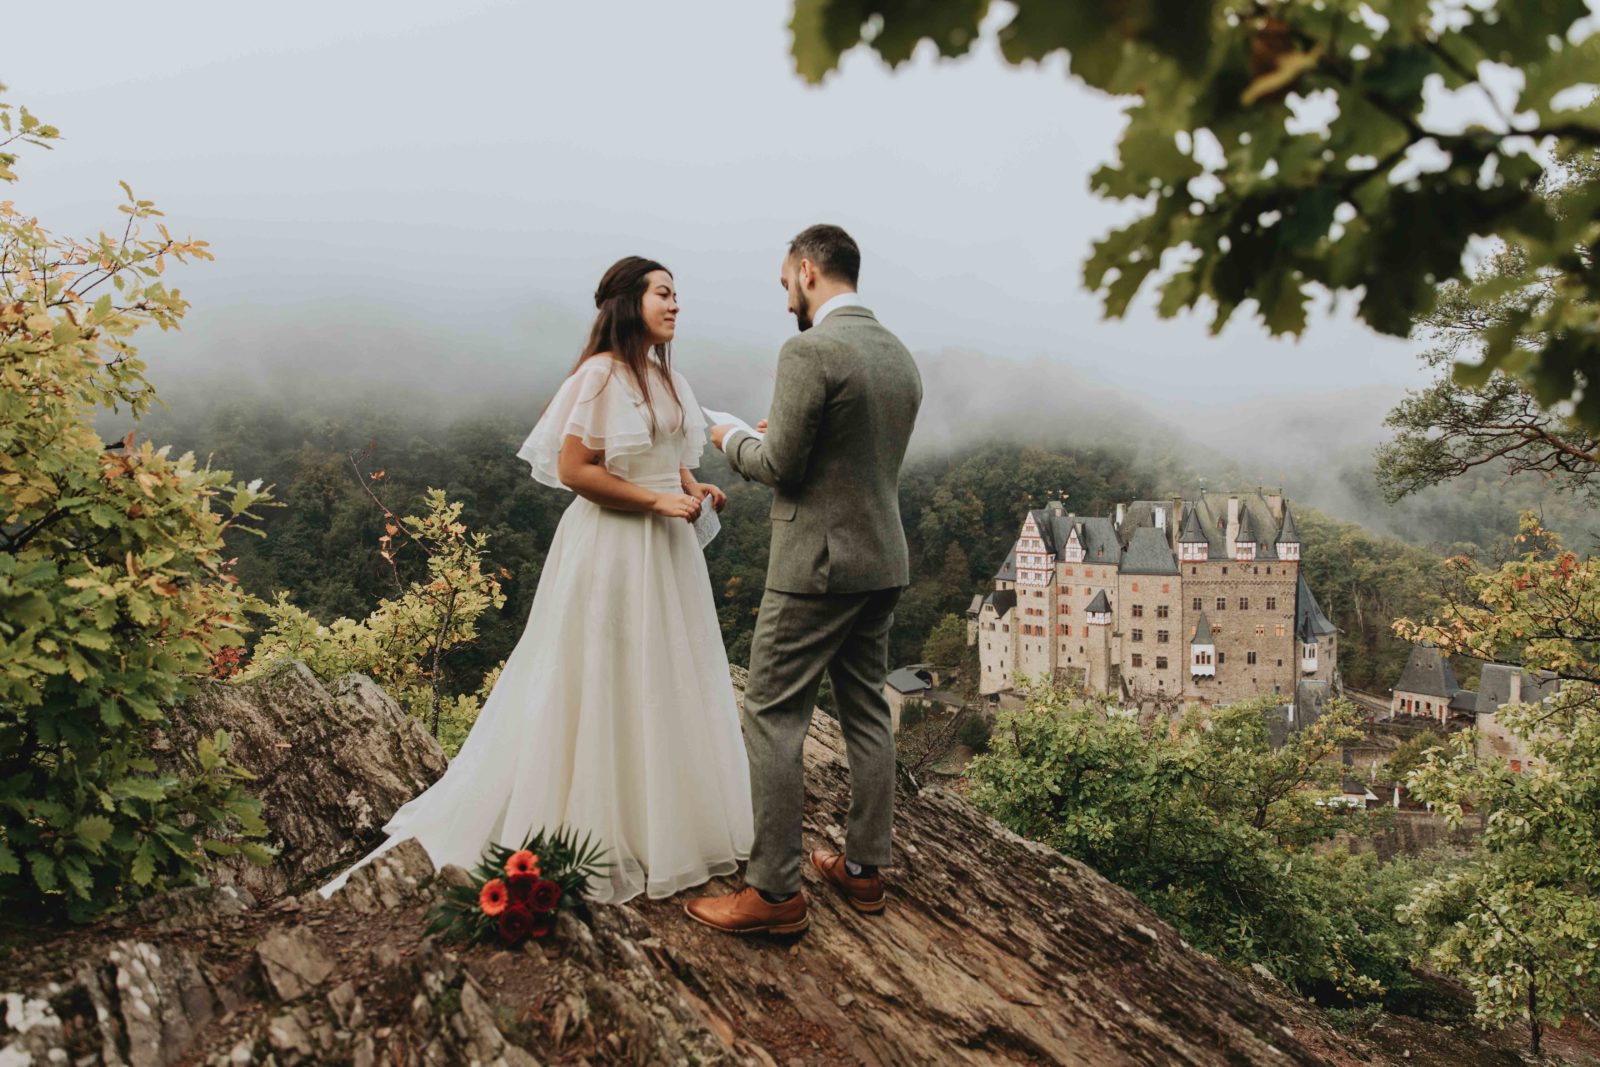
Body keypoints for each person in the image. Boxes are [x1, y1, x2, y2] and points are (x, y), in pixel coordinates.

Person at [320, 256, 753, 903]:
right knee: (601, 675)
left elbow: (670, 455)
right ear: (628, 302)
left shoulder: (670, 379)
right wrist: (658, 501)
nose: (675, 304)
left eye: (676, 294)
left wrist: (693, 487)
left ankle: (660, 822)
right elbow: (577, 467)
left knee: (663, 672)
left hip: (666, 553)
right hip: (614, 543)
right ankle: (594, 830)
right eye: (663, 293)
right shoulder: (600, 376)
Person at [688, 224, 922, 935]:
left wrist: (732, 438)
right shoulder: (900, 356)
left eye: (785, 277)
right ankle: (863, 869)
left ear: (807, 270)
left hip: (815, 566)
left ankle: (774, 890)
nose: (783, 290)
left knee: (772, 712)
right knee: (866, 712)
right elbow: (854, 457)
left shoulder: (809, 349)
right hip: (881, 561)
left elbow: (781, 466)